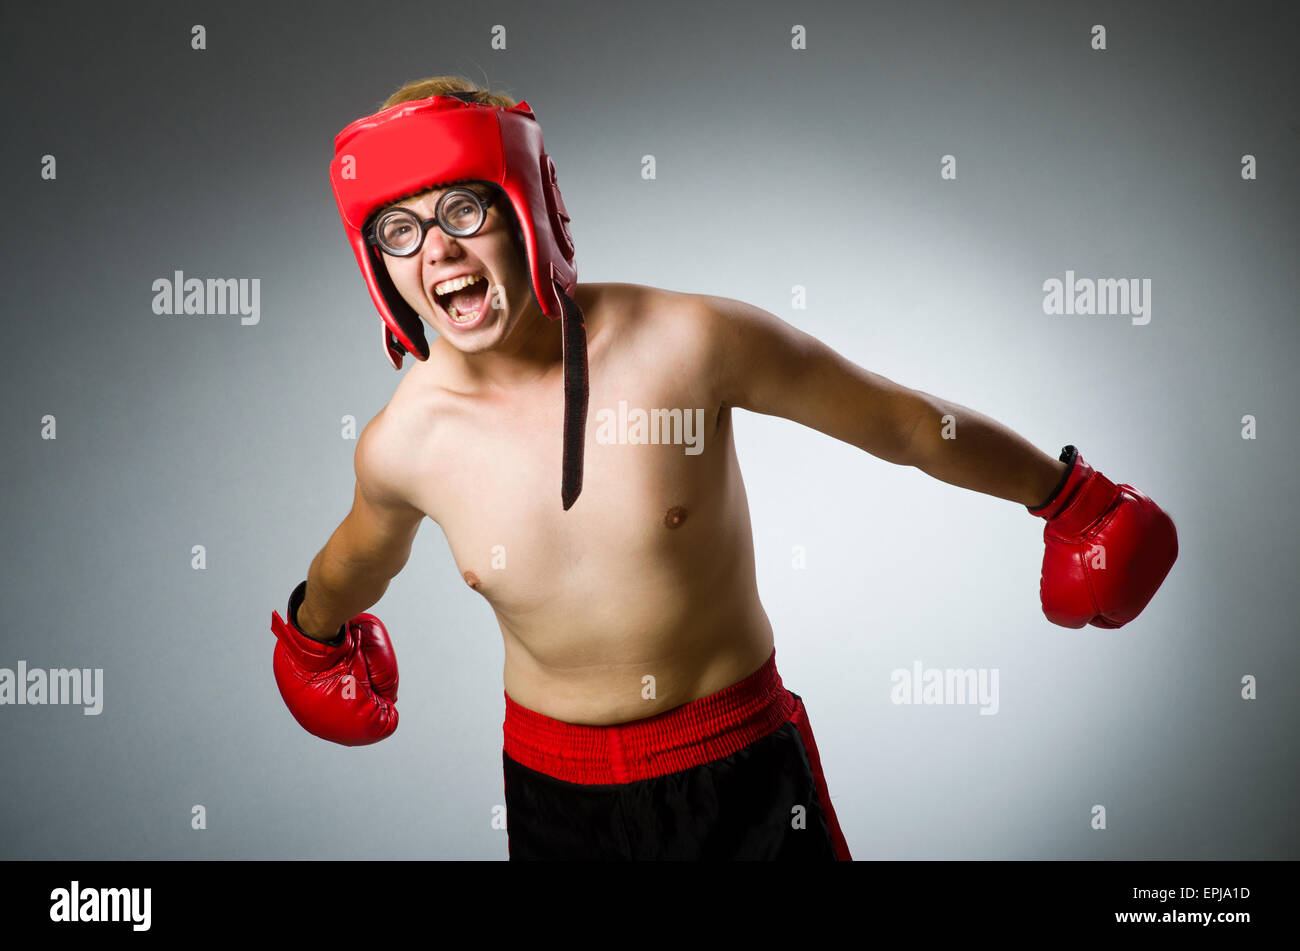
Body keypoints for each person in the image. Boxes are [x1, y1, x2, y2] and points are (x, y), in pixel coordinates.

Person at [269, 76, 1179, 860]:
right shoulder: (405, 442)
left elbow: (901, 423)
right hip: (554, 795)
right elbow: (360, 556)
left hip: (736, 767)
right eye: (400, 228)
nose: (438, 251)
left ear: (528, 207)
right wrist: (311, 637)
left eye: (463, 209)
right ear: (380, 266)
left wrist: (1072, 499)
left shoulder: (687, 342)